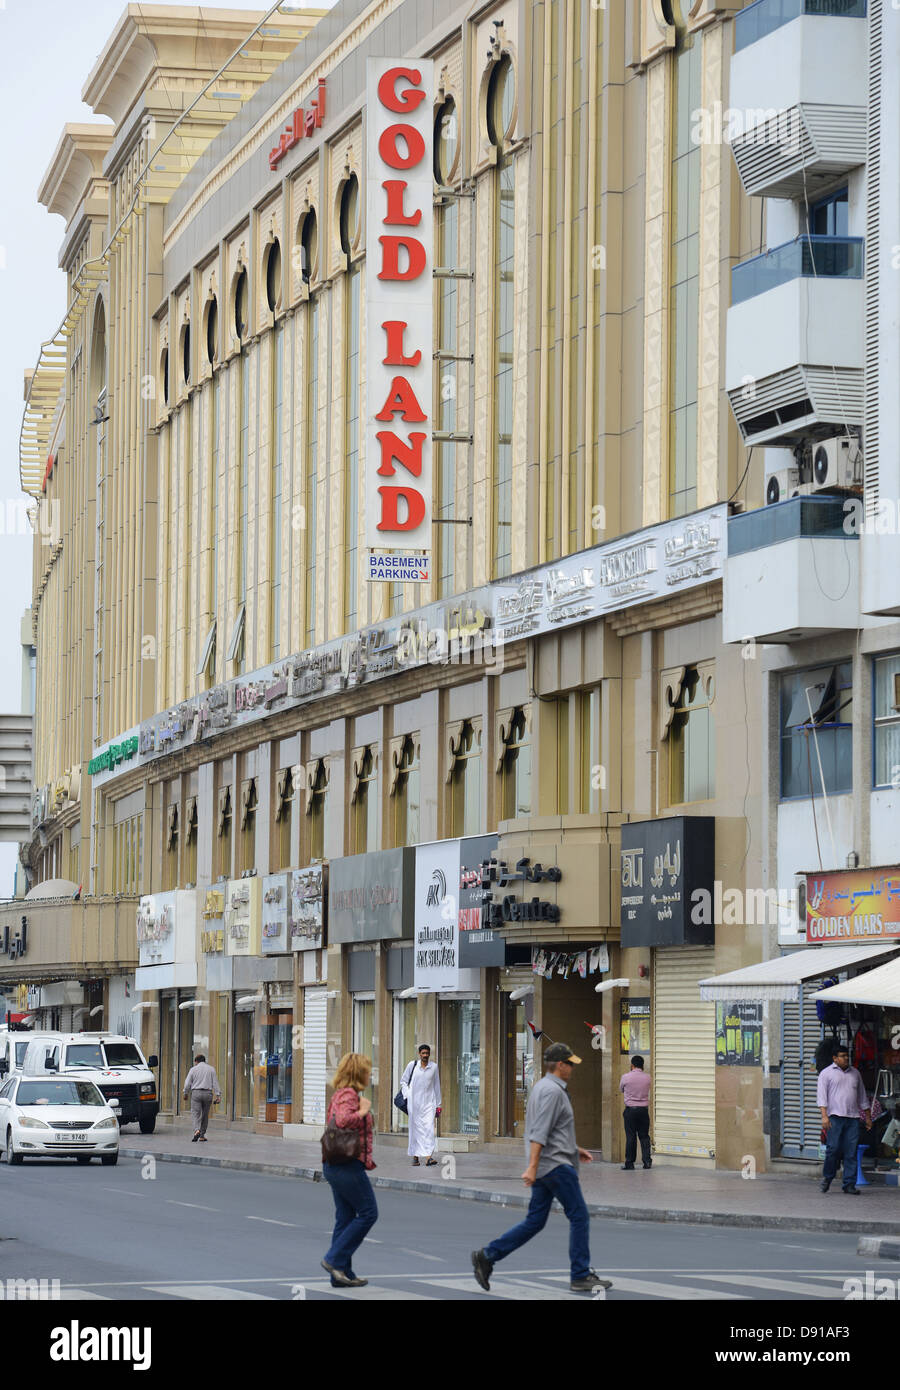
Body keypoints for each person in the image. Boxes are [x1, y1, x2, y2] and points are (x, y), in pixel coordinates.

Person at [471, 1042, 612, 1294]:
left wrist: (573, 1148)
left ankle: (488, 1256)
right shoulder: (553, 1092)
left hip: (550, 1163)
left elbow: (551, 1128)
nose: (572, 1068)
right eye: (570, 1064)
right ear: (560, 1065)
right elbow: (539, 1132)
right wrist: (532, 1167)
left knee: (535, 1221)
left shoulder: (543, 1087)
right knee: (579, 1216)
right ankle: (580, 1274)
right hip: (555, 1167)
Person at [321, 1052, 378, 1288]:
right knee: (368, 1213)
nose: (369, 1074)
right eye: (367, 1070)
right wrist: (364, 1111)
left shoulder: (339, 1094)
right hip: (346, 1165)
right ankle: (334, 1259)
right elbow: (344, 1121)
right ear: (358, 1073)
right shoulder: (349, 1095)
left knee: (345, 1218)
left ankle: (342, 1274)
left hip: (335, 1164)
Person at [817, 1044, 872, 1195]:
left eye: (847, 1055)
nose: (846, 1058)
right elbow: (822, 1098)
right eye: (842, 1056)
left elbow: (862, 1097)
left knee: (851, 1152)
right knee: (833, 1149)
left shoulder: (855, 1073)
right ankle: (827, 1178)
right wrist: (824, 1116)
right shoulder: (826, 1074)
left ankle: (849, 1184)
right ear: (835, 1058)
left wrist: (867, 1117)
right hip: (834, 1118)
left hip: (852, 1118)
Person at [403, 1043, 442, 1166]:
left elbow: (437, 1086)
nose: (425, 1055)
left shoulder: (434, 1067)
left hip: (429, 1104)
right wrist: (407, 1094)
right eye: (423, 1053)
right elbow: (403, 1081)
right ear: (419, 1054)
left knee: (429, 1130)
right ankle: (415, 1157)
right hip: (414, 1104)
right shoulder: (412, 1065)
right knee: (415, 1130)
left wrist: (439, 1104)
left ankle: (428, 1157)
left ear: (429, 1054)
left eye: (427, 1053)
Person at [619, 1055, 652, 1170]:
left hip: (630, 1111)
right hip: (643, 1111)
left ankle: (629, 1163)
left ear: (632, 1065)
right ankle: (647, 1162)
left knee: (631, 1137)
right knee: (644, 1136)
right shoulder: (648, 1077)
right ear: (642, 1066)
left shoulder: (625, 1077)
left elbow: (621, 1089)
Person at [182, 1053, 221, 1142]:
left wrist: (185, 1093)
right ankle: (202, 1135)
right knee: (205, 1115)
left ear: (196, 1061)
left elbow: (187, 1083)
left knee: (195, 1113)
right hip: (208, 1094)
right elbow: (215, 1083)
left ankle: (197, 1130)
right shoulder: (211, 1069)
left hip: (196, 1093)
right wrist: (218, 1095)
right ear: (204, 1060)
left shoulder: (193, 1069)